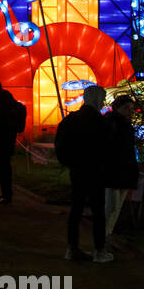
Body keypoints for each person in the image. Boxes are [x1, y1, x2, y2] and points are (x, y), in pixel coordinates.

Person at [54, 85, 111, 262]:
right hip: (95, 171)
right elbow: (107, 147)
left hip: (77, 170)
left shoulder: (71, 120)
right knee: (98, 210)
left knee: (76, 209)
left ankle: (72, 248)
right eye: (101, 99)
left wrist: (69, 162)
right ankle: (99, 250)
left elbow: (60, 144)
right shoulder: (100, 122)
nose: (103, 103)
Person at [103, 95, 140, 248]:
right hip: (113, 172)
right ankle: (103, 237)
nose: (130, 112)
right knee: (111, 206)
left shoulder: (125, 126)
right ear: (117, 108)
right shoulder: (111, 124)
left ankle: (107, 236)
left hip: (124, 171)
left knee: (116, 207)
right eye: (126, 108)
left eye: (131, 109)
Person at [0, 82, 27, 204]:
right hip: (9, 140)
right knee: (6, 167)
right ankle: (7, 193)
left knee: (2, 168)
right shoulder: (14, 109)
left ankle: (6, 194)